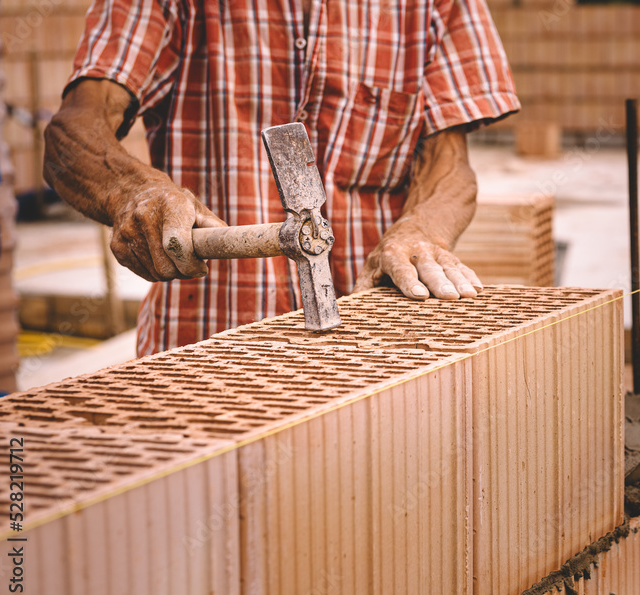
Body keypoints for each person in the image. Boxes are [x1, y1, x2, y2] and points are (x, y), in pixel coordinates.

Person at [44, 0, 519, 356]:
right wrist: (135, 191)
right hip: (205, 359)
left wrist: (421, 230)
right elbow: (75, 130)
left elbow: (450, 166)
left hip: (370, 356)